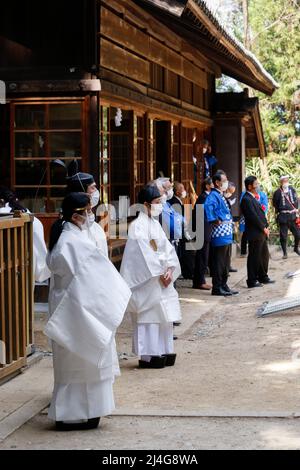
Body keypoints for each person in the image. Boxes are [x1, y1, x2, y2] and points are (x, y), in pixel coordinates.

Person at [45, 193, 131, 431]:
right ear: (75, 216)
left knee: (85, 361)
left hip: (78, 305)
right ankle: (71, 414)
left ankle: (89, 412)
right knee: (78, 362)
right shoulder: (70, 242)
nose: (90, 214)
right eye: (87, 210)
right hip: (75, 308)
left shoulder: (73, 237)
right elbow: (91, 276)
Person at [120, 183, 182, 369]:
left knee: (164, 315)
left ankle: (164, 348)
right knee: (149, 316)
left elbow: (167, 248)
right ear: (146, 204)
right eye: (156, 202)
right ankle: (148, 355)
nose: (159, 205)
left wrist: (170, 268)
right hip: (150, 279)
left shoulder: (155, 224)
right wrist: (159, 272)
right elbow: (141, 255)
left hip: (163, 275)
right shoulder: (137, 227)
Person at [0, 187, 50, 283]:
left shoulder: (4, 216)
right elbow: (40, 250)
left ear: (1, 201)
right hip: (25, 267)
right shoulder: (31, 218)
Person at [204, 172, 239, 297]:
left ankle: (224, 285)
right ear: (217, 183)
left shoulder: (220, 194)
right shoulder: (213, 195)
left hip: (226, 230)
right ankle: (217, 287)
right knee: (219, 262)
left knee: (225, 262)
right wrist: (214, 219)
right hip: (220, 232)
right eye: (224, 180)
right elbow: (208, 207)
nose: (226, 182)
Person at [65, 160, 108, 257]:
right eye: (92, 188)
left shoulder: (96, 228)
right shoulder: (71, 230)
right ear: (83, 192)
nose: (96, 191)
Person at [240, 176, 275, 288]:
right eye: (256, 184)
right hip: (255, 232)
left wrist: (266, 226)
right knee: (254, 257)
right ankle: (252, 280)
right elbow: (253, 217)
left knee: (263, 256)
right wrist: (263, 228)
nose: (258, 186)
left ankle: (263, 276)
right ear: (249, 186)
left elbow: (260, 214)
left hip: (261, 231)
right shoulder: (246, 199)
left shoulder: (253, 198)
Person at [192, 177, 214, 290]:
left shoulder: (208, 197)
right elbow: (199, 215)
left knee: (204, 256)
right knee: (201, 256)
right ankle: (199, 282)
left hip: (207, 229)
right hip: (202, 230)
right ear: (207, 186)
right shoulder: (203, 197)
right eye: (213, 184)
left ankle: (200, 280)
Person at [272, 176, 300, 259]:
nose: (286, 182)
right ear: (281, 182)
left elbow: (296, 200)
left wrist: (296, 210)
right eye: (284, 181)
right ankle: (285, 253)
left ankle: (295, 248)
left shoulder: (292, 189)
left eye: (287, 180)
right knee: (283, 236)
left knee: (298, 234)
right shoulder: (277, 192)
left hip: (293, 216)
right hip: (283, 216)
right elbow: (275, 203)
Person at [239, 186, 269, 257]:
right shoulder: (245, 195)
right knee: (245, 233)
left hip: (260, 216)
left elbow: (265, 205)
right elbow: (242, 204)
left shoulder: (262, 194)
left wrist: (261, 211)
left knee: (261, 233)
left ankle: (262, 250)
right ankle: (243, 251)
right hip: (248, 216)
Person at [224, 182, 238, 273]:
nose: (230, 194)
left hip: (229, 225)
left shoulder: (227, 199)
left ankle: (228, 266)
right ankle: (225, 268)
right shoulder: (220, 197)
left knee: (229, 248)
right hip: (222, 227)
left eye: (232, 193)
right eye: (230, 191)